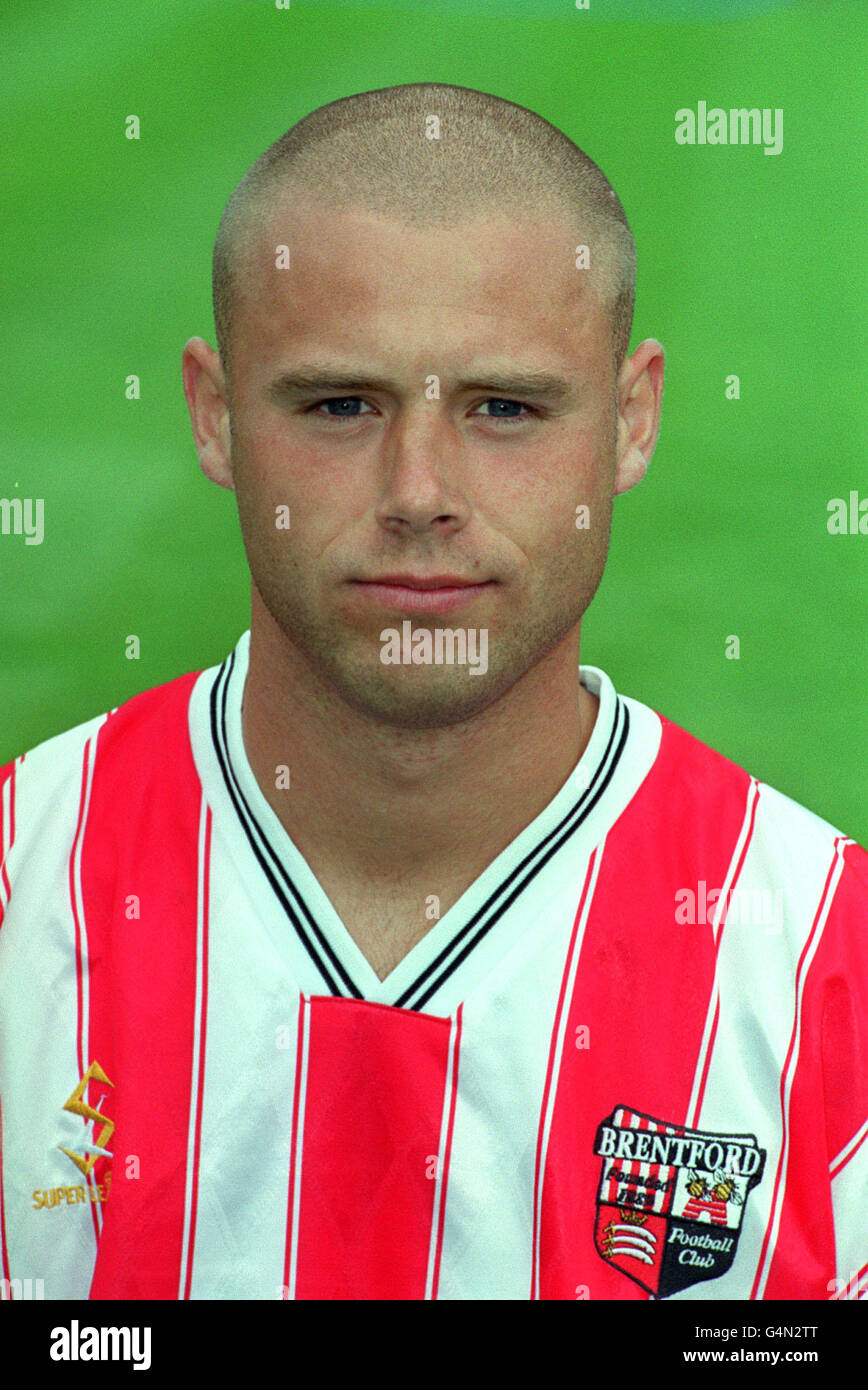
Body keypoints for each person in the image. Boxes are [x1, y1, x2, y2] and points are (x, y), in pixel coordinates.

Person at [0, 82, 864, 1302]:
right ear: (212, 414)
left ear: (630, 419)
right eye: (339, 405)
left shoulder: (828, 964)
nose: (417, 488)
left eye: (504, 409)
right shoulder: (16, 892)